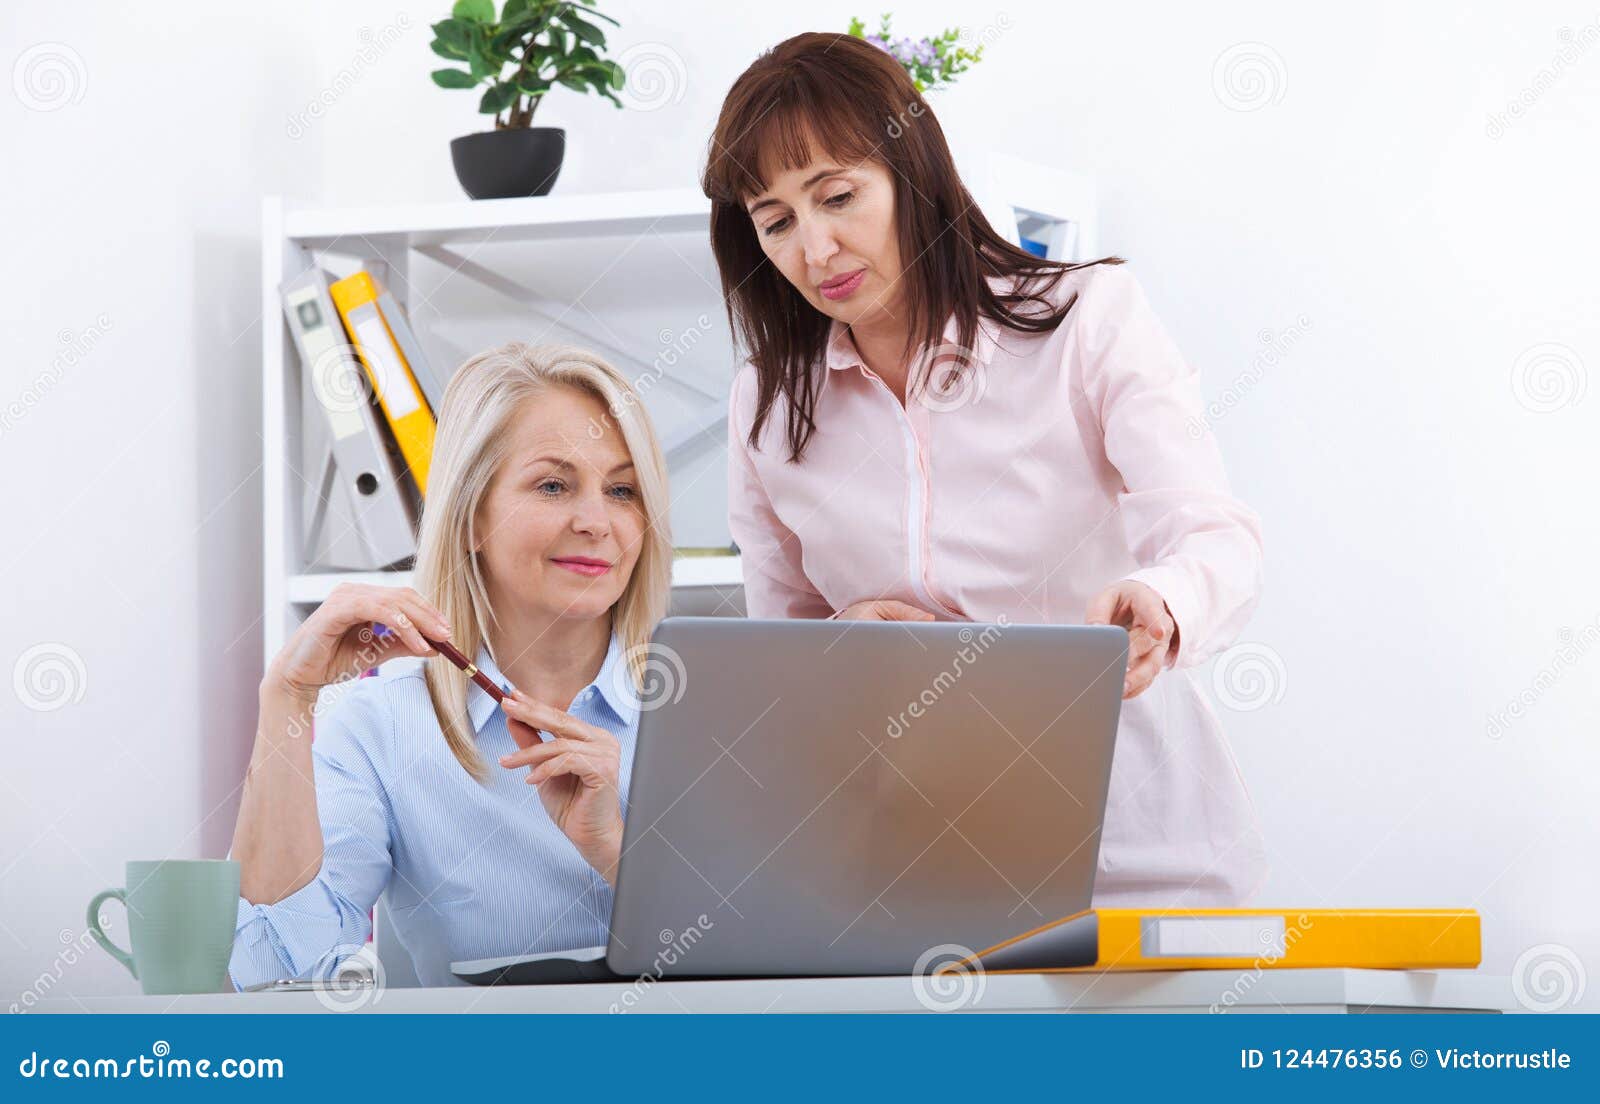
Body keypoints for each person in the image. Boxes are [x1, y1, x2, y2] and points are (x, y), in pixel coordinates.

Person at [704, 33, 1268, 906]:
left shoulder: (1085, 319)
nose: (815, 249)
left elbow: (1213, 534)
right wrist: (839, 646)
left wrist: (1164, 600)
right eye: (776, 222)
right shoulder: (768, 404)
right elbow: (784, 655)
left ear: (913, 173)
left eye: (838, 196)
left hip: (1136, 850)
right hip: (903, 862)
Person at [227, 343, 672, 988]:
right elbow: (268, 972)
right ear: (469, 516)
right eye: (553, 485)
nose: (597, 522)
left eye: (622, 490)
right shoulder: (381, 724)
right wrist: (287, 697)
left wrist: (615, 852)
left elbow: (787, 964)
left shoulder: (711, 706)